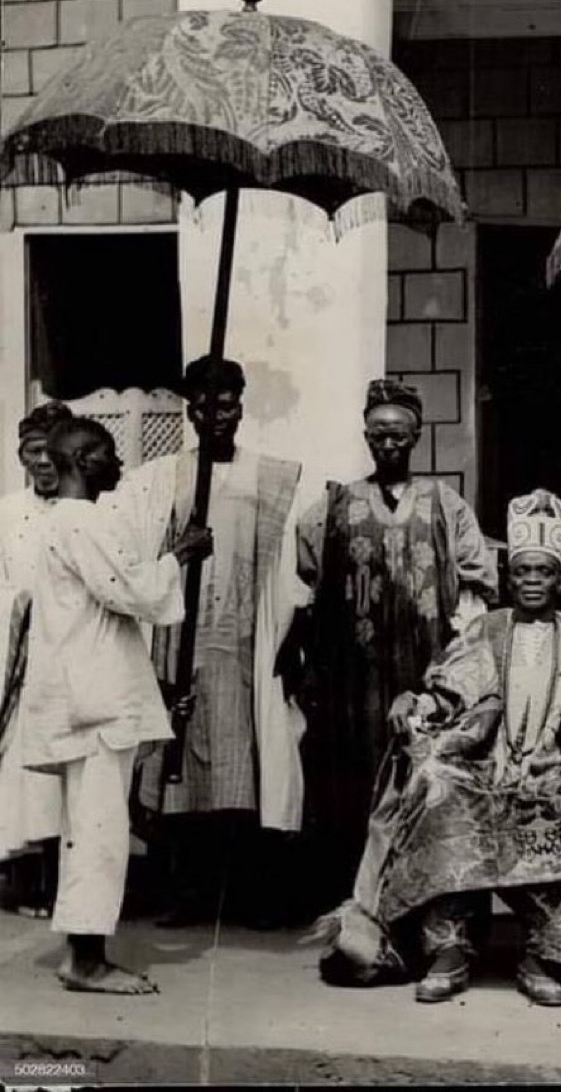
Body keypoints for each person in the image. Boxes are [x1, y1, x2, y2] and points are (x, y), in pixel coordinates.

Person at [311, 490, 561, 1007]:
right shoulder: (487, 627)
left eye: (543, 572)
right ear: (509, 577)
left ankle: (550, 954)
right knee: (436, 787)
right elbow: (452, 687)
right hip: (487, 763)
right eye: (523, 572)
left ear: (560, 578)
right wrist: (417, 699)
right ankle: (452, 947)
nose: (532, 581)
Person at [19, 418, 211, 994]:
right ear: (80, 460)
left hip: (89, 694)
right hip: (95, 702)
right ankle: (85, 960)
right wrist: (181, 555)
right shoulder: (83, 523)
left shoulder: (67, 523)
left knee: (92, 828)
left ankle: (83, 952)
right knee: (100, 831)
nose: (117, 462)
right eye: (104, 454)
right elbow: (137, 592)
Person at [116, 356, 307, 929]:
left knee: (242, 767)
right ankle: (188, 891)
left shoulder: (269, 475)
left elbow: (290, 565)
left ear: (240, 407)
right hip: (181, 634)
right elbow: (141, 548)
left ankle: (243, 892)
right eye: (201, 405)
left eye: (224, 404)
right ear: (190, 411)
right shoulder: (164, 477)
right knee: (179, 769)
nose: (213, 415)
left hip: (247, 637)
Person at [294, 378, 498, 910]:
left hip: (424, 670)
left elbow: (476, 584)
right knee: (354, 778)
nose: (388, 445)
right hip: (352, 680)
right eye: (379, 434)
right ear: (366, 435)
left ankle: (421, 898)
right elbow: (310, 579)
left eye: (399, 435)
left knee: (422, 780)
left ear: (416, 437)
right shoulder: (335, 505)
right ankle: (356, 898)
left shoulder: (444, 503)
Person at [0, 402, 71, 916]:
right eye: (32, 451)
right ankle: (26, 879)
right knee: (23, 770)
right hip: (21, 655)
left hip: (70, 652)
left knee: (66, 766)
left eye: (51, 451)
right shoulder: (7, 513)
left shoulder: (87, 508)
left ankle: (62, 880)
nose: (43, 461)